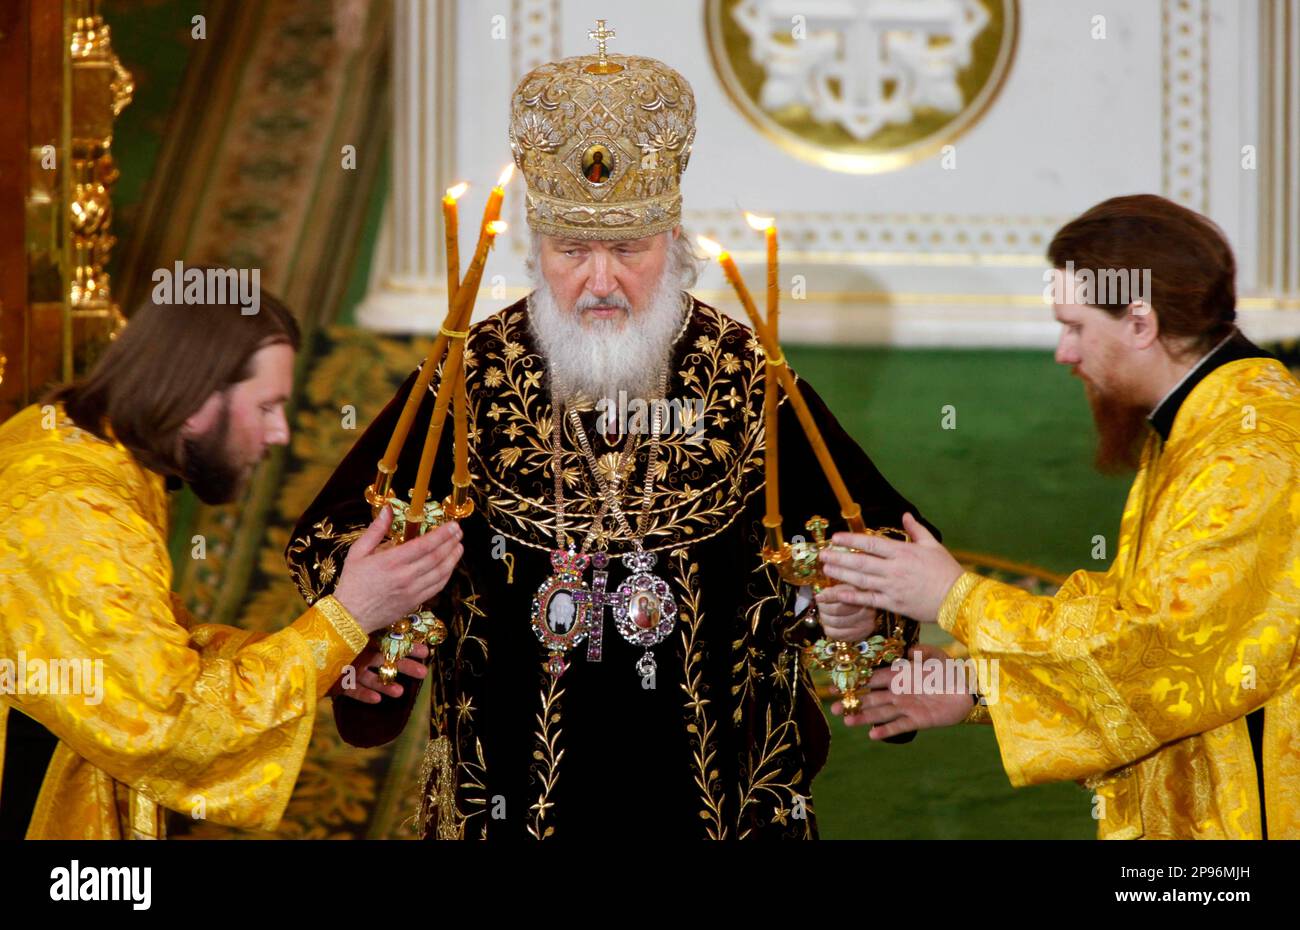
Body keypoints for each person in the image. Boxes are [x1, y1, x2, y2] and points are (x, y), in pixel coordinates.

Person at [287, 29, 933, 840]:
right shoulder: (472, 372)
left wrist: (849, 611)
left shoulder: (743, 373)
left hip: (712, 802)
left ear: (673, 240)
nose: (600, 281)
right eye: (571, 250)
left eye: (628, 248)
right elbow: (337, 531)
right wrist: (372, 623)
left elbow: (875, 540)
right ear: (536, 246)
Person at [819, 194, 1300, 839]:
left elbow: (1158, 650)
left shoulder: (1249, 449)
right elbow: (1137, 614)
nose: (1063, 353)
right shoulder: (1212, 417)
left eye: (1074, 326)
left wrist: (955, 598)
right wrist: (979, 686)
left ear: (1139, 323)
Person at [0, 284, 462, 839]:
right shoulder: (76, 513)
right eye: (266, 406)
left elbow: (153, 650)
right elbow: (172, 722)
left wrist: (327, 660)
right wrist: (349, 613)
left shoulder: (87, 448)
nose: (279, 433)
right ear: (193, 399)